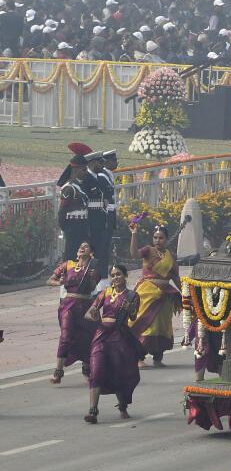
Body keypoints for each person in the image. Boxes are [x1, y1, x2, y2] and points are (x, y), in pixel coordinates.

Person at [84, 264, 144, 423]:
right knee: (96, 371)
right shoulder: (105, 293)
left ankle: (122, 406)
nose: (115, 278)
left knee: (118, 373)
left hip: (119, 338)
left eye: (118, 274)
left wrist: (130, 309)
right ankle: (93, 410)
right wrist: (94, 316)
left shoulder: (132, 296)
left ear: (125, 276)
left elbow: (132, 317)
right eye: (113, 275)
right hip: (101, 336)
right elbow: (88, 314)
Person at [46, 241, 100, 384]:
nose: (82, 247)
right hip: (68, 305)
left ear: (91, 253)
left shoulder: (93, 268)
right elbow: (49, 280)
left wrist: (94, 276)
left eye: (86, 246)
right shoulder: (67, 265)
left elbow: (94, 286)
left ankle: (87, 369)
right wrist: (60, 283)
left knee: (88, 338)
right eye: (80, 246)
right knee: (65, 336)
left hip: (86, 306)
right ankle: (58, 372)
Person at [128, 227, 182, 366]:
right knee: (145, 324)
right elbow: (134, 254)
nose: (158, 240)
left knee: (162, 327)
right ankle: (139, 357)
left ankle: (158, 358)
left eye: (161, 238)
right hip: (147, 293)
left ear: (166, 239)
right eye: (155, 237)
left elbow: (176, 276)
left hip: (165, 295)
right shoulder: (148, 250)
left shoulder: (170, 256)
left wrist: (184, 293)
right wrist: (134, 234)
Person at [58, 152, 91, 262]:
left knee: (82, 257)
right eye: (84, 170)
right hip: (72, 227)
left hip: (82, 226)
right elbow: (62, 211)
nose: (86, 172)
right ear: (76, 170)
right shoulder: (69, 188)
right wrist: (66, 228)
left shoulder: (80, 186)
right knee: (71, 255)